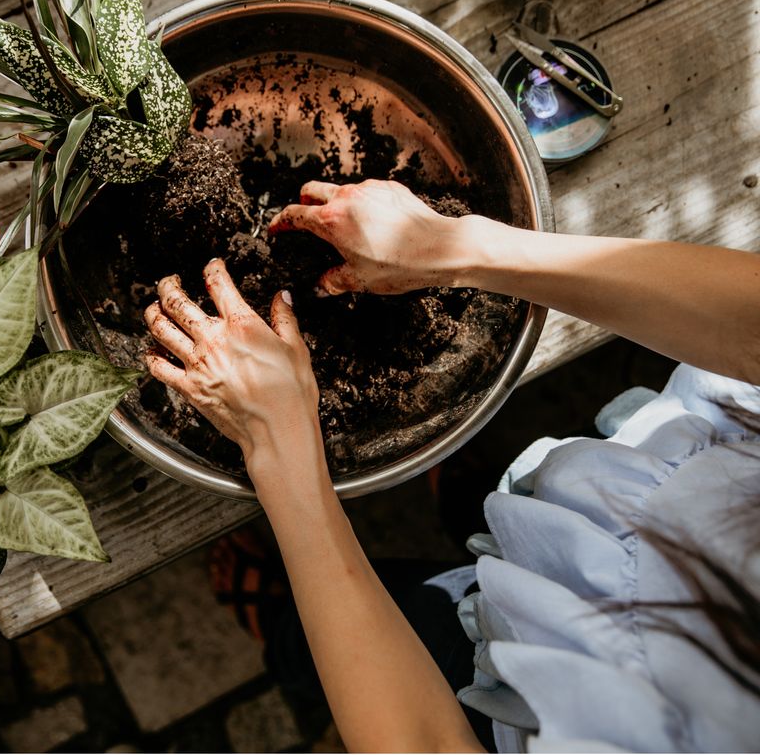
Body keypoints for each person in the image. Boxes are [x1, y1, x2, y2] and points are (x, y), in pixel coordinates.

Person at [142, 178, 760, 752]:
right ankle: (484, 513)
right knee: (509, 512)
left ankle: (278, 623)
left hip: (532, 679)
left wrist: (278, 442)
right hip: (638, 518)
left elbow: (427, 742)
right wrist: (450, 245)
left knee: (364, 631)